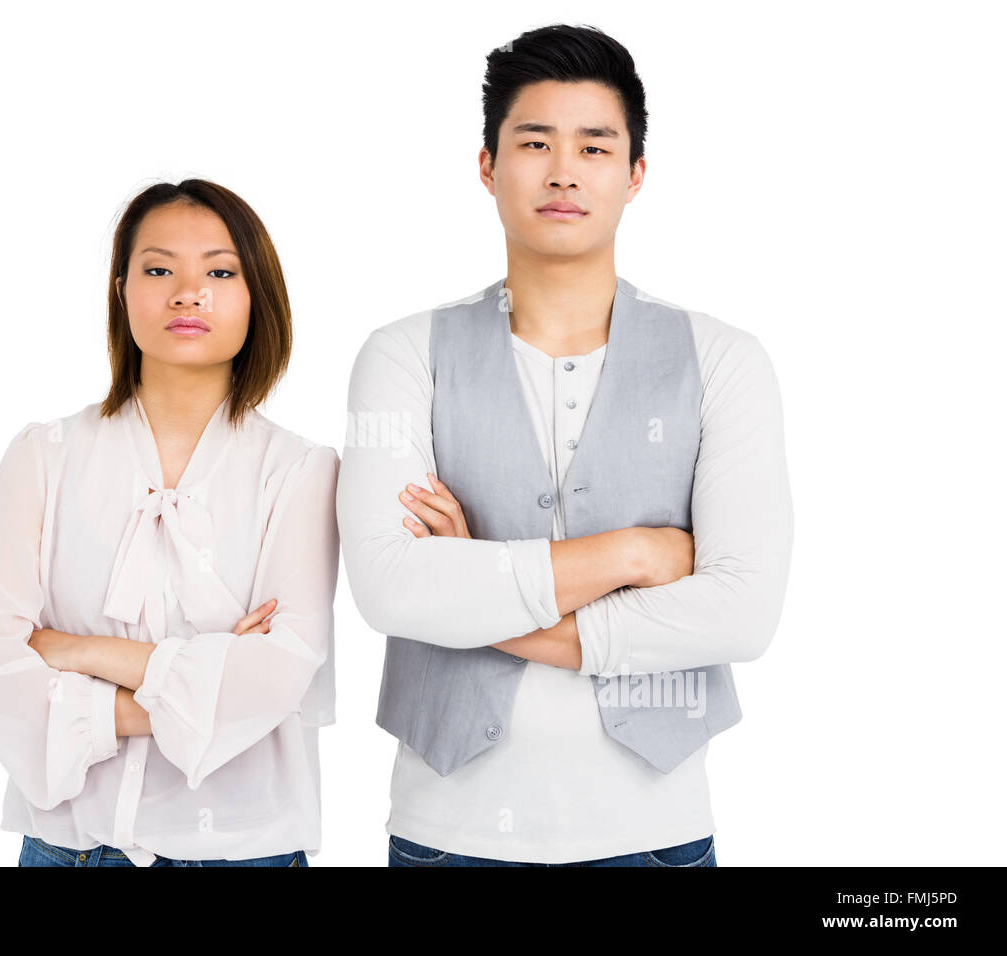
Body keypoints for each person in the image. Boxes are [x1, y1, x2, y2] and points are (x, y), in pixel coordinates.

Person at [337, 23, 793, 867]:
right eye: (534, 141)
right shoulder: (403, 355)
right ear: (487, 165)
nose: (563, 170)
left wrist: (476, 581)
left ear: (635, 175)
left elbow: (743, 611)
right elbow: (389, 588)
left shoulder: (723, 359)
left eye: (594, 145)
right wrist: (636, 551)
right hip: (446, 836)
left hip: (654, 837)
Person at [0, 179, 340, 867]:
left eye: (220, 272)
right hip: (65, 851)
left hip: (241, 852)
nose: (188, 292)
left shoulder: (301, 472)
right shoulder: (42, 457)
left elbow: (281, 674)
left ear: (257, 294)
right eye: (159, 269)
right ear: (121, 289)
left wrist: (76, 652)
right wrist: (202, 689)